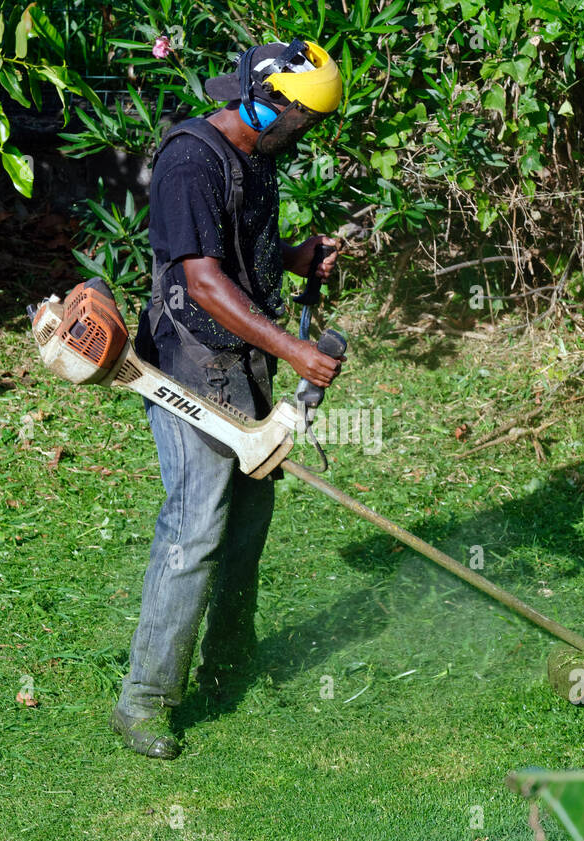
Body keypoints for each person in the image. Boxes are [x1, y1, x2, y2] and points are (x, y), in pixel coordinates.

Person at [112, 39, 345, 759]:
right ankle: (144, 701)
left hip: (244, 359)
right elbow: (205, 282)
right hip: (189, 360)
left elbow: (244, 252)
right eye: (301, 120)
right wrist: (297, 350)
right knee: (196, 528)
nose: (304, 134)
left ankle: (229, 669)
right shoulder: (190, 160)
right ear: (264, 100)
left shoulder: (256, 155)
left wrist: (297, 258)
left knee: (246, 524)